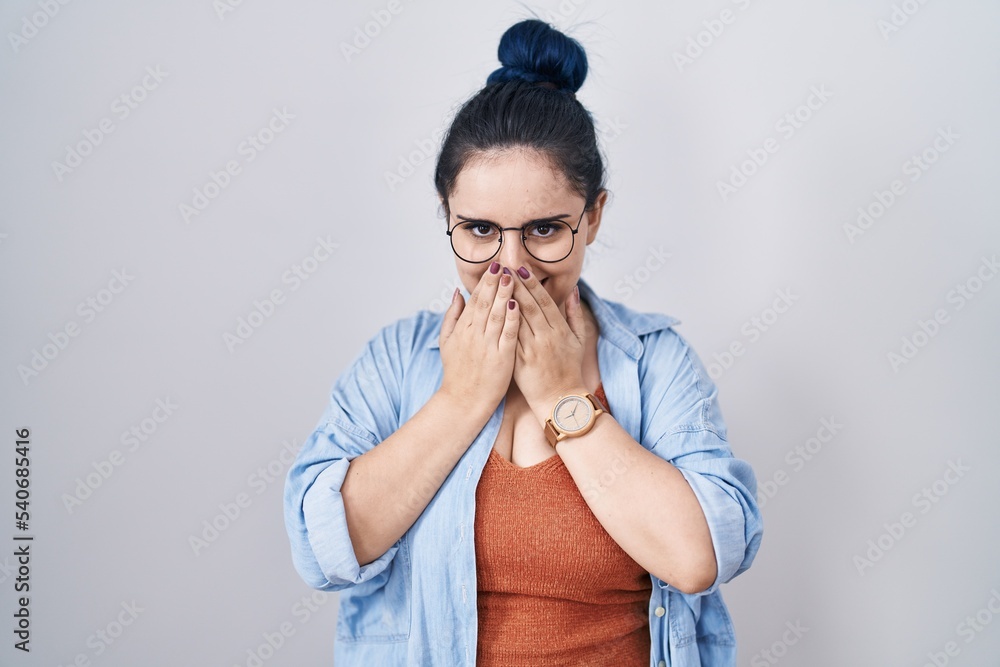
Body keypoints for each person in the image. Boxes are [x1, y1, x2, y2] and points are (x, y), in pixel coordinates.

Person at [283, 17, 763, 667]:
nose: (512, 264)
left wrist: (567, 397)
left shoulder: (654, 363)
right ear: (447, 216)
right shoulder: (397, 362)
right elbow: (321, 548)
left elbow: (698, 556)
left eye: (544, 229)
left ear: (592, 215)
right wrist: (460, 400)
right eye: (479, 229)